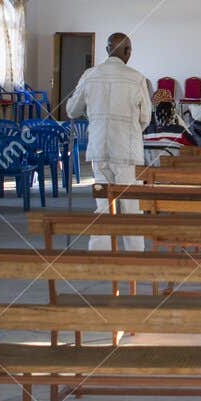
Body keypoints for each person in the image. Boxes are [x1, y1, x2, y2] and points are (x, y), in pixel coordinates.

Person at [65, 32, 152, 251]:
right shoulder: (137, 78)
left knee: (103, 204)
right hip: (126, 150)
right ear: (128, 51)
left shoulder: (89, 75)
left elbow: (72, 111)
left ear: (106, 50)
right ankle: (135, 254)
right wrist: (130, 131)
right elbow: (145, 118)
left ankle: (100, 253)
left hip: (99, 148)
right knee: (130, 205)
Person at [142, 89, 194, 161]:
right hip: (174, 165)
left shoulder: (146, 130)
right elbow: (192, 148)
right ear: (172, 113)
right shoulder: (180, 130)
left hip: (151, 165)